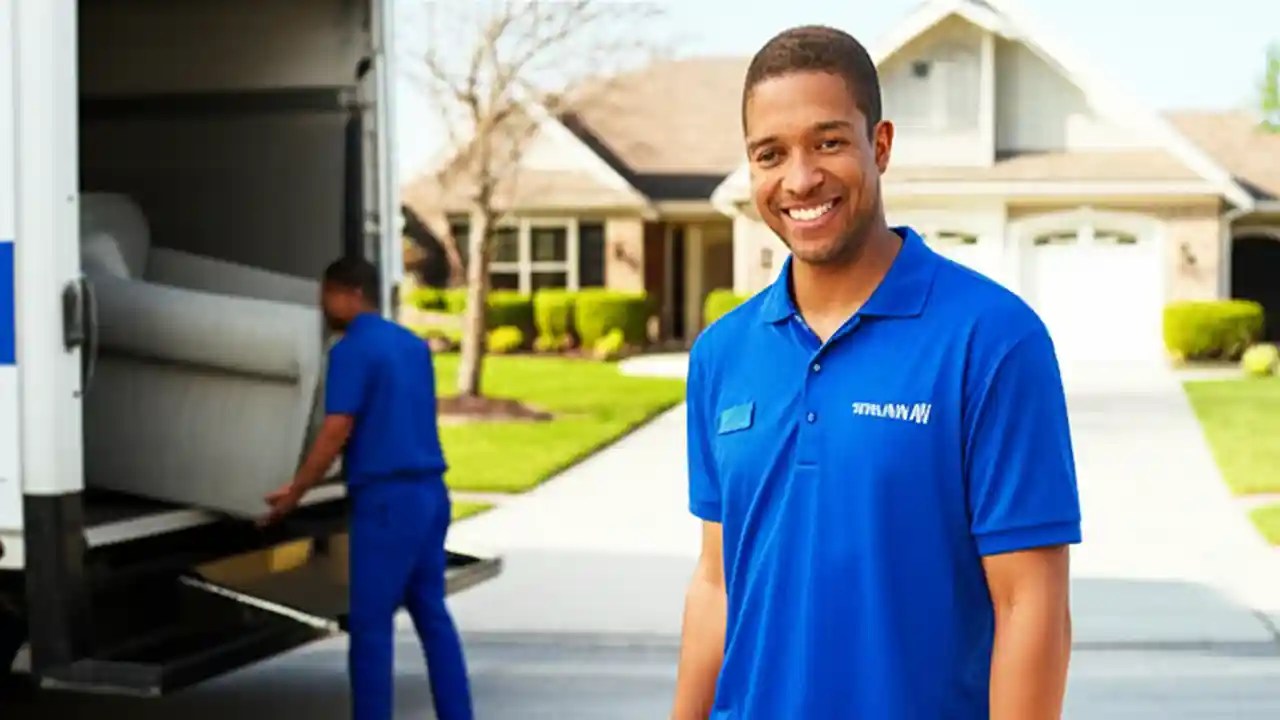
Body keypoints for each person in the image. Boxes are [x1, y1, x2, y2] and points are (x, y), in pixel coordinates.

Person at [670, 25, 1081, 720]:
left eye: (828, 142)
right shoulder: (722, 354)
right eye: (770, 154)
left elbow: (1030, 603)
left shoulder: (993, 339)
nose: (800, 179)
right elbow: (716, 583)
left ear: (880, 145)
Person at [262, 256, 473, 720]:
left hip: (387, 503)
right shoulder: (413, 346)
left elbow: (337, 429)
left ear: (351, 294)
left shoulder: (352, 351)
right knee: (432, 616)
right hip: (430, 495)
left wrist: (295, 490)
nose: (322, 305)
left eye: (327, 294)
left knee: (371, 625)